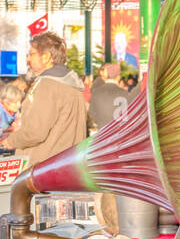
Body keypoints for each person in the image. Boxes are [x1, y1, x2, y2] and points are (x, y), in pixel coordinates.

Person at [2, 32, 86, 164]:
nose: (28, 59)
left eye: (31, 54)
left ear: (46, 57)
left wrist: (10, 141)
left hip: (43, 169)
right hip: (67, 165)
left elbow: (35, 131)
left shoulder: (47, 85)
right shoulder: (73, 85)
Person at [87, 62, 128, 133]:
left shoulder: (96, 92)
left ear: (107, 75)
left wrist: (100, 122)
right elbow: (127, 114)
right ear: (118, 77)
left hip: (102, 131)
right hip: (120, 132)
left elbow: (91, 113)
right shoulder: (124, 93)